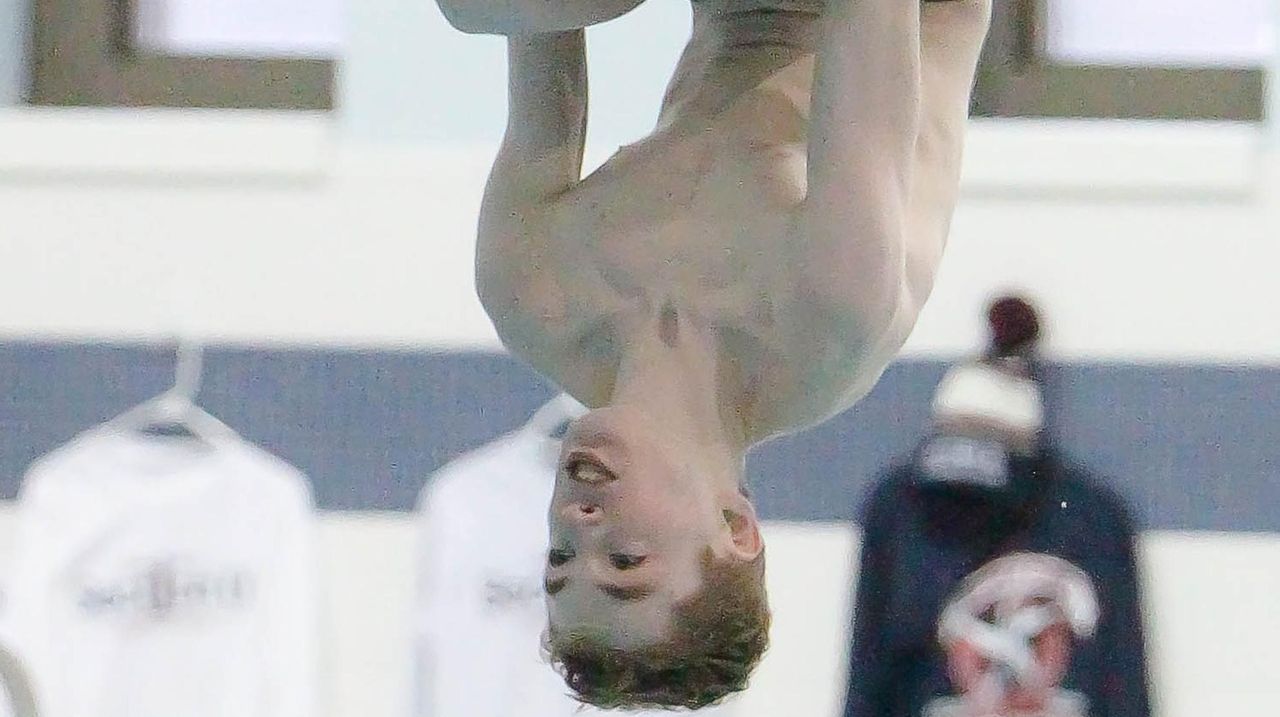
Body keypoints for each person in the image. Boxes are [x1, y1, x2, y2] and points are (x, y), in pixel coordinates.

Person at [437, 0, 993, 708]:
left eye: (559, 560)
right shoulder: (829, 310)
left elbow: (539, 35)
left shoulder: (531, 295)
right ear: (734, 528)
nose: (578, 522)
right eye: (625, 561)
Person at [843, 297, 1153, 717]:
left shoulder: (1091, 521)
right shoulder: (898, 511)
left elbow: (1125, 685)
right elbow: (867, 680)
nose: (962, 512)